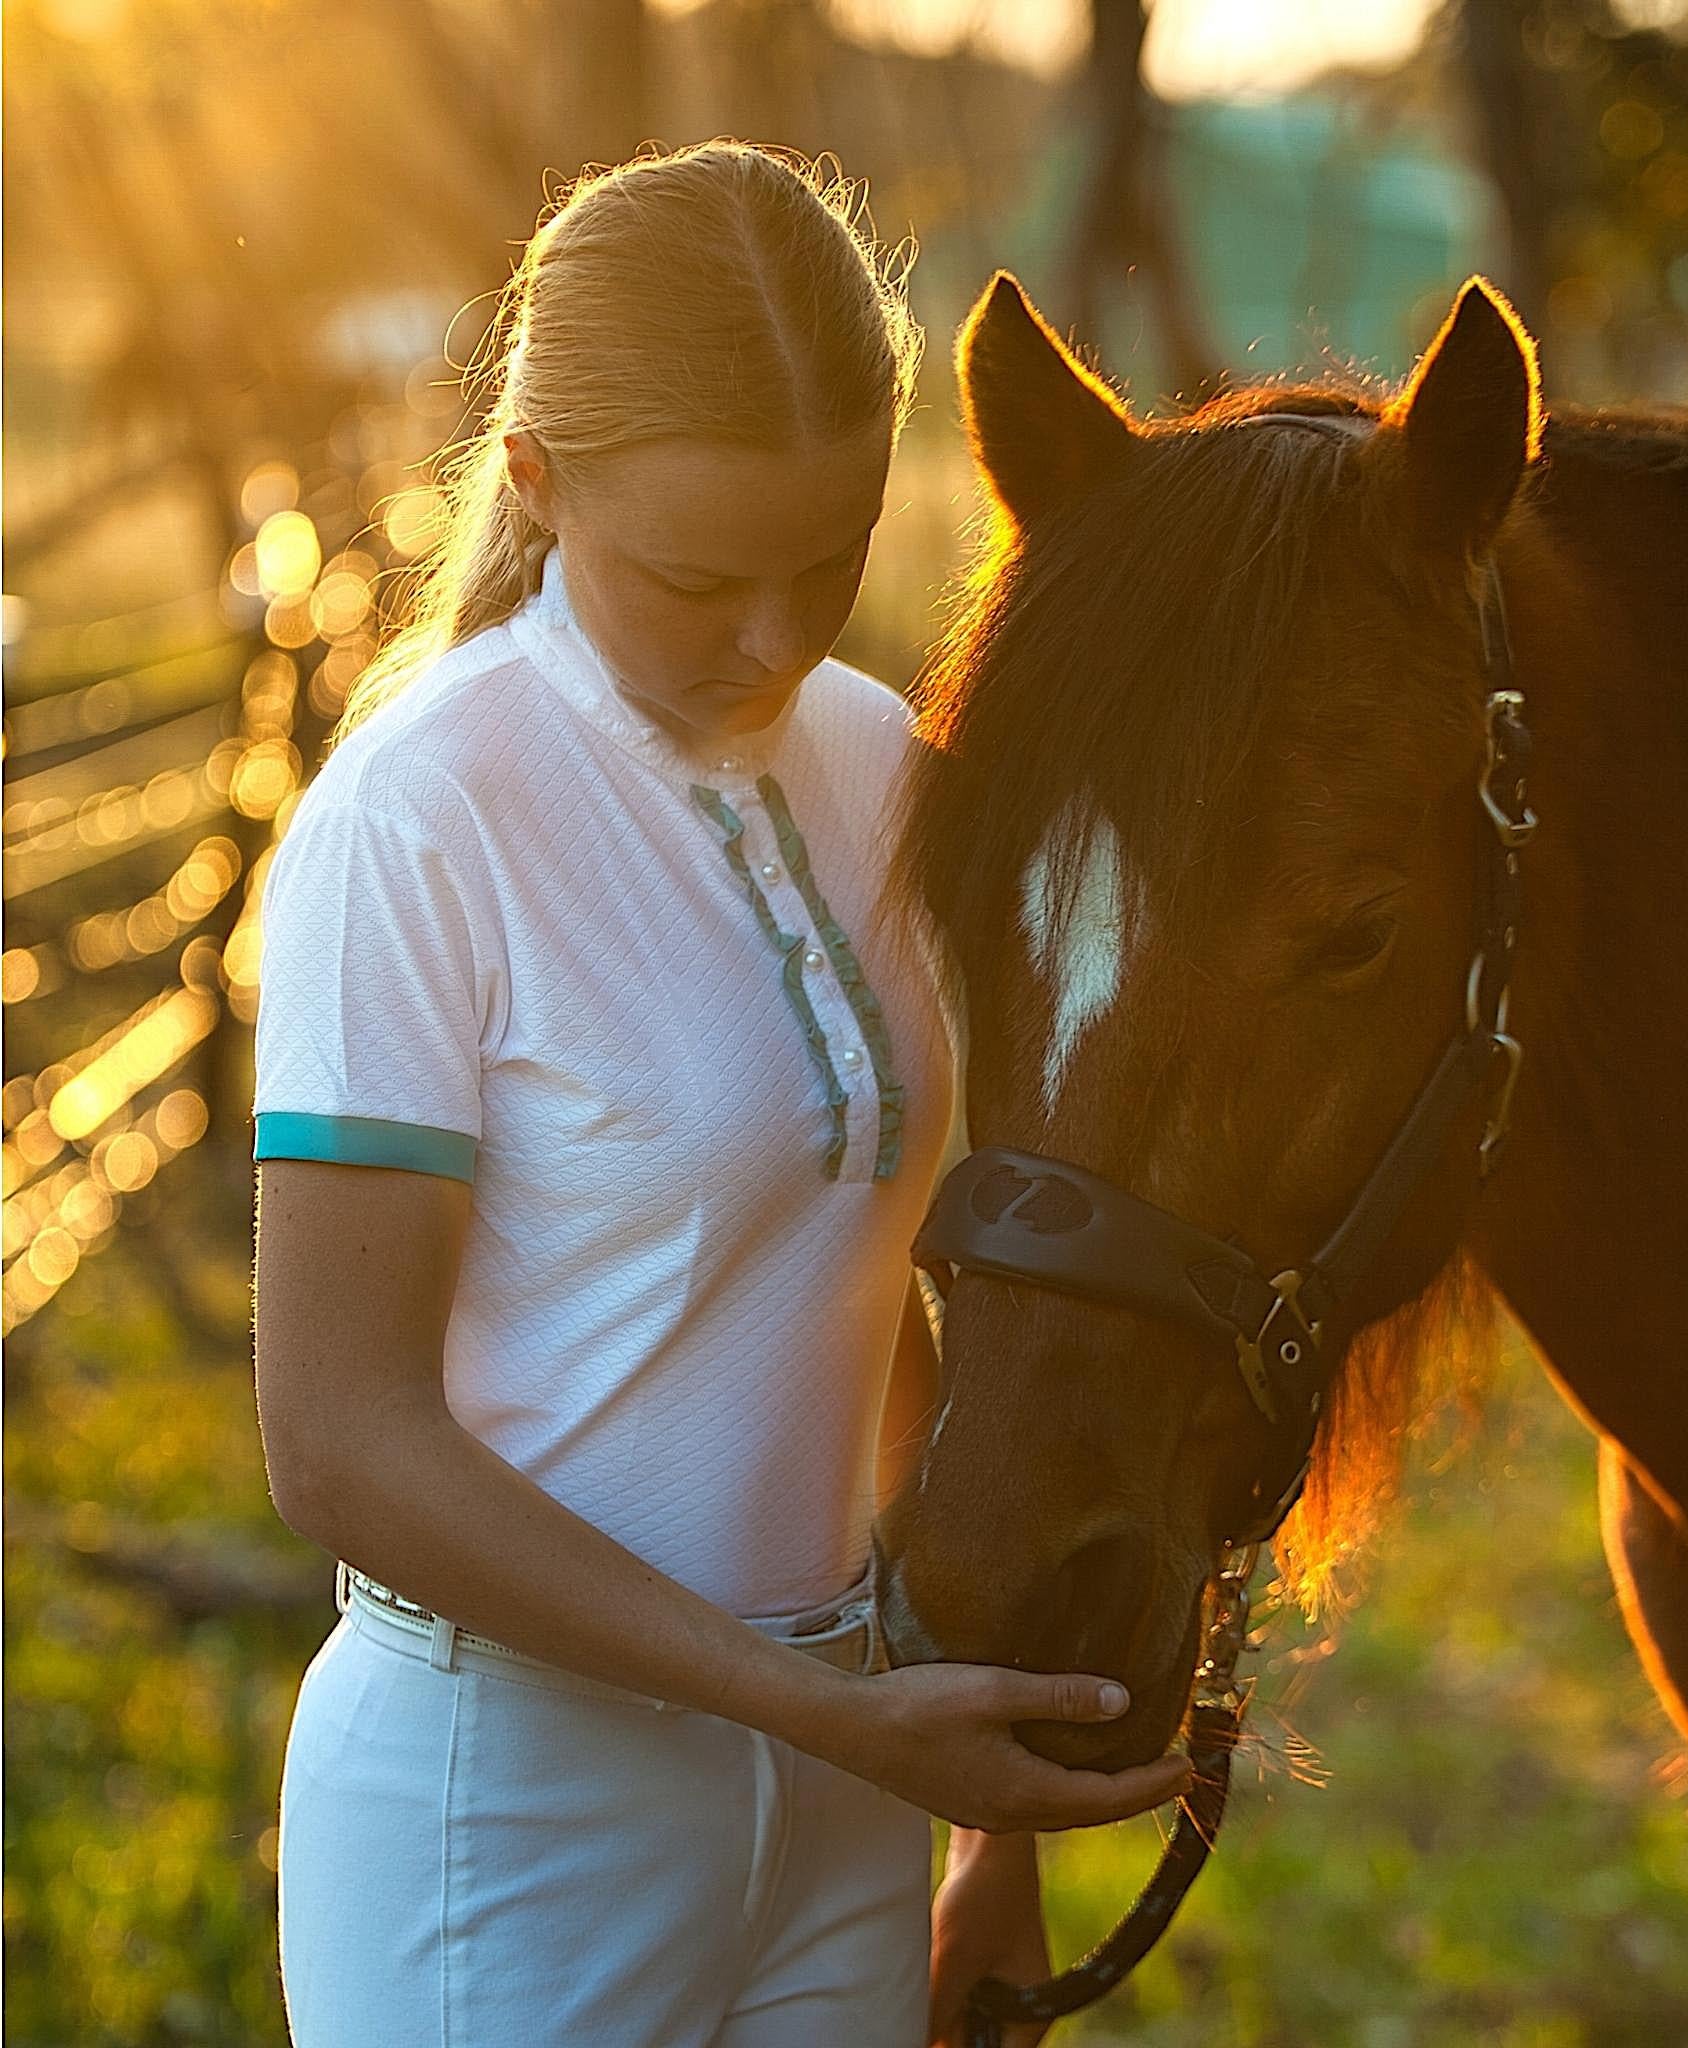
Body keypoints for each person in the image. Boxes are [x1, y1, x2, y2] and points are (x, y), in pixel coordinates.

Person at [251, 141, 1191, 2048]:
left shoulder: (880, 767)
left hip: (856, 1786)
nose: (778, 639)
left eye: (831, 559)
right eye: (697, 578)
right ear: (535, 480)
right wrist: (810, 1708)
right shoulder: (423, 818)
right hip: (511, 1817)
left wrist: (964, 1821)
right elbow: (337, 1439)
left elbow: (870, 1273)